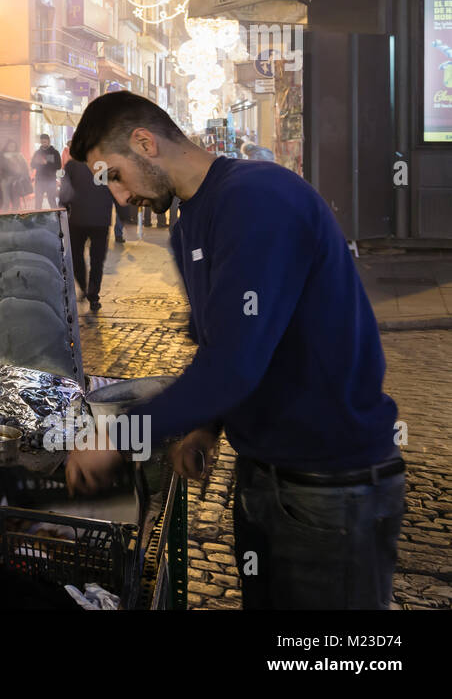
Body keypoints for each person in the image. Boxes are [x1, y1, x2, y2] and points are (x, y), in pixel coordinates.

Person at [64, 91, 404, 609]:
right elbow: (226, 344)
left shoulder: (257, 199)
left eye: (112, 175)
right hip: (264, 478)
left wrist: (119, 436)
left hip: (331, 490)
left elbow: (233, 365)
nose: (118, 197)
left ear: (143, 142)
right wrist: (206, 426)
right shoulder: (189, 225)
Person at [59, 155, 114, 314]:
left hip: (78, 219)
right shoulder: (105, 163)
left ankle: (85, 287)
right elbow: (113, 188)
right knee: (98, 259)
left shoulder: (72, 165)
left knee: (76, 256)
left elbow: (64, 191)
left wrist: (62, 207)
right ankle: (93, 293)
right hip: (100, 219)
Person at [0, 141, 31, 211]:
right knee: (6, 202)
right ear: (6, 146)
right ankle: (3, 219)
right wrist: (10, 165)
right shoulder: (2, 155)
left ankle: (14, 218)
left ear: (16, 147)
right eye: (10, 146)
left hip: (16, 181)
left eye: (13, 146)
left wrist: (24, 176)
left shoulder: (19, 155)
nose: (12, 147)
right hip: (6, 180)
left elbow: (25, 167)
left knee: (16, 202)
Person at [30, 133, 61, 208]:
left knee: (51, 200)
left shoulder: (55, 152)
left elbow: (59, 166)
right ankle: (38, 218)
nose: (43, 143)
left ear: (49, 141)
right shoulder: (37, 153)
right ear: (40, 142)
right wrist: (37, 162)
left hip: (51, 180)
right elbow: (32, 165)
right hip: (39, 180)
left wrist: (47, 163)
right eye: (42, 142)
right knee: (38, 201)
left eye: (45, 142)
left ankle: (56, 218)